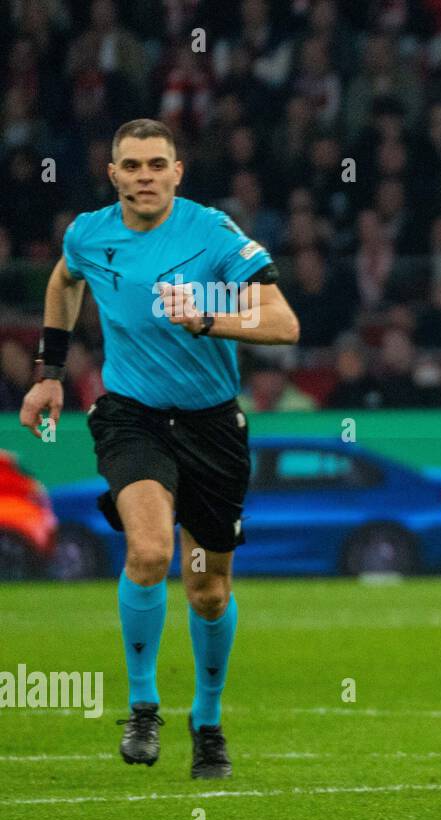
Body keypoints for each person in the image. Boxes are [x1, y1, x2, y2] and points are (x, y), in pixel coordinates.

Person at [17, 118, 300, 779]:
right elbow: (64, 282)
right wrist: (50, 375)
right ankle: (144, 705)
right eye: (132, 166)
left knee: (206, 589)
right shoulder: (89, 233)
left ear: (178, 172)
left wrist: (208, 318)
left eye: (156, 165)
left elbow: (284, 324)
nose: (144, 176)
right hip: (131, 418)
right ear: (113, 173)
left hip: (210, 427)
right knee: (148, 552)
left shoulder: (213, 235)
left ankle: (207, 720)